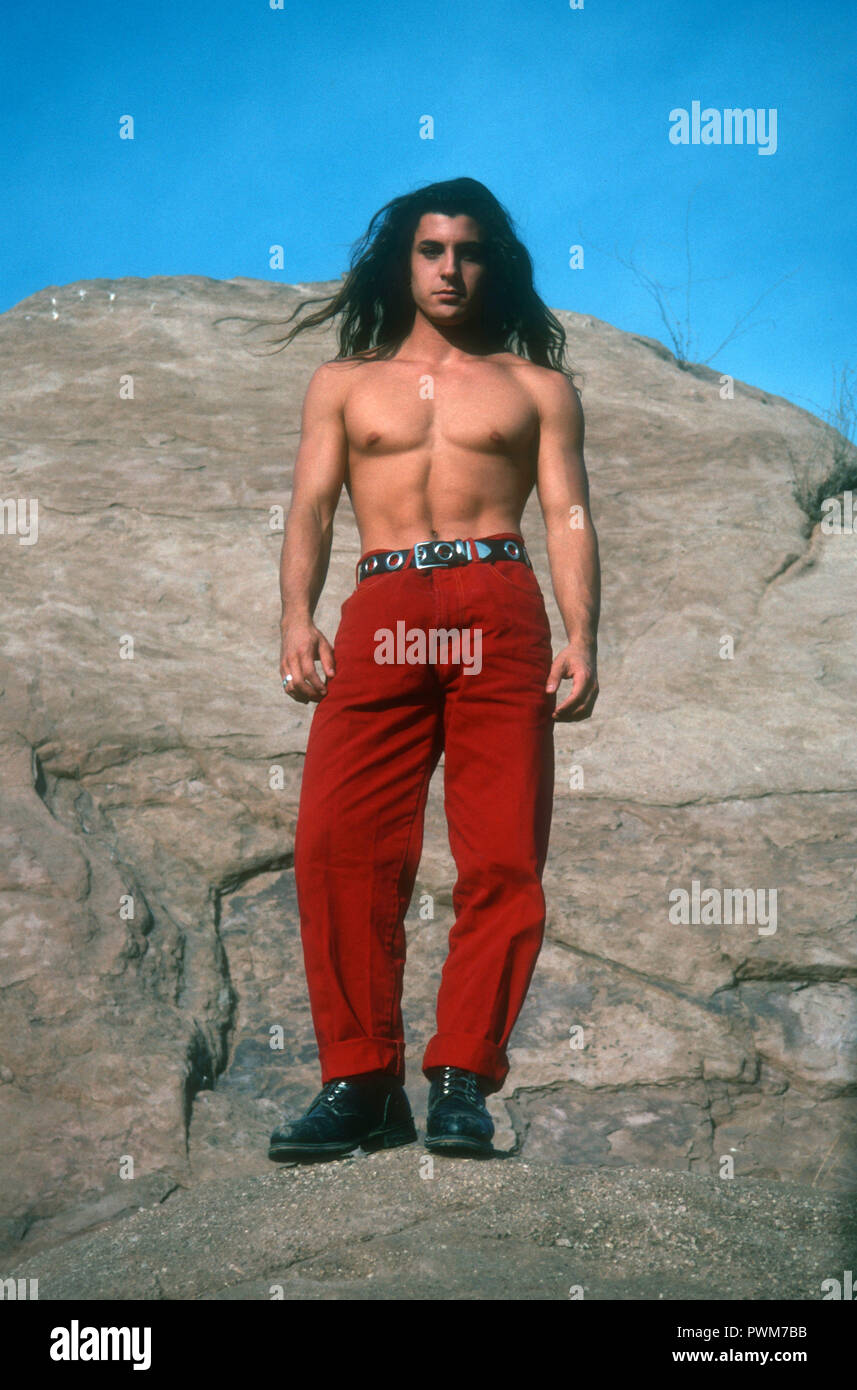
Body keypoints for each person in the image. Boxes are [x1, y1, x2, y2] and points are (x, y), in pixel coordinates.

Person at [257, 177, 600, 1160]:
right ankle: (361, 1082)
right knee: (337, 844)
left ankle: (460, 1081)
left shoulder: (534, 387)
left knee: (500, 857)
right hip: (384, 604)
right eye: (430, 250)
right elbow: (313, 508)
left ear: (492, 262)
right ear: (401, 261)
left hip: (497, 603)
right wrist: (296, 616)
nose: (449, 269)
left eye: (468, 251)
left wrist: (582, 634)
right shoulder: (342, 383)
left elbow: (567, 515)